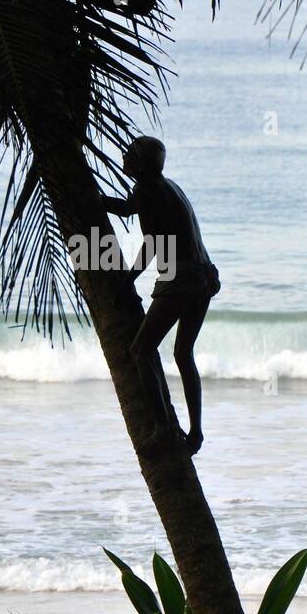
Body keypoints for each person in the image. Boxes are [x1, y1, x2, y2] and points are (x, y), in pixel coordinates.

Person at [103, 136, 220, 455]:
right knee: (183, 353)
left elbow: (154, 245)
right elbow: (130, 210)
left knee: (140, 349)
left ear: (140, 163)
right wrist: (102, 202)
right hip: (206, 275)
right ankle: (195, 433)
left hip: (182, 279)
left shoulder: (146, 190)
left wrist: (127, 281)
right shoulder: (167, 185)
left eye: (130, 154)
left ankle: (160, 428)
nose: (124, 157)